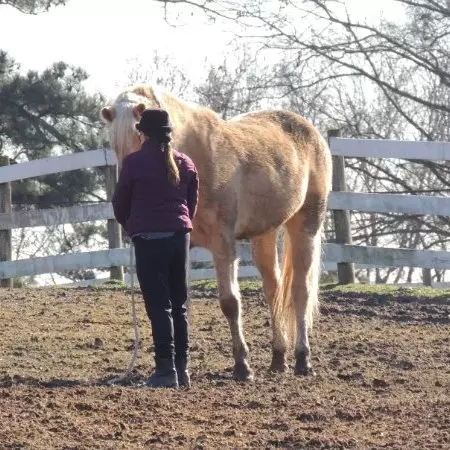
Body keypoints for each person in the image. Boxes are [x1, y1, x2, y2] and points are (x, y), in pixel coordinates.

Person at [112, 108, 199, 388]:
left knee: (159, 306)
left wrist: (131, 226)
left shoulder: (134, 163)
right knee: (179, 305)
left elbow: (120, 203)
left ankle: (164, 370)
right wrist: (180, 226)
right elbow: (191, 203)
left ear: (142, 133)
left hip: (149, 239)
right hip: (179, 238)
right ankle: (181, 369)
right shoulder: (185, 163)